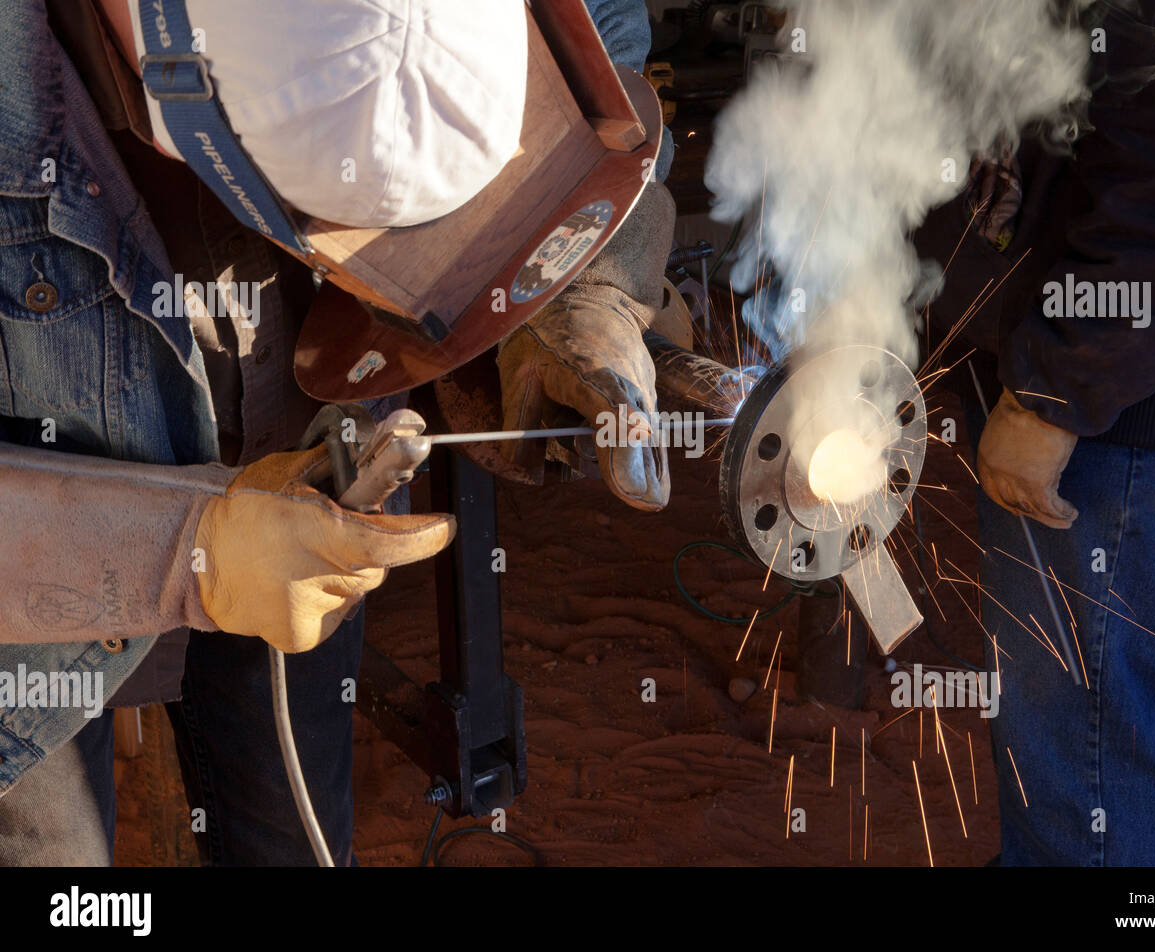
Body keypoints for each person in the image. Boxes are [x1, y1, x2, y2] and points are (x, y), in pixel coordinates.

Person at [0, 0, 674, 865]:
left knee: (291, 831)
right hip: (33, 602)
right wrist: (188, 549)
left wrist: (565, 278)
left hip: (297, 451)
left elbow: (603, 33)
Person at [916, 0, 1155, 865]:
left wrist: (1056, 394)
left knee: (1079, 736)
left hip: (1115, 407)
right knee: (1053, 720)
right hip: (1052, 356)